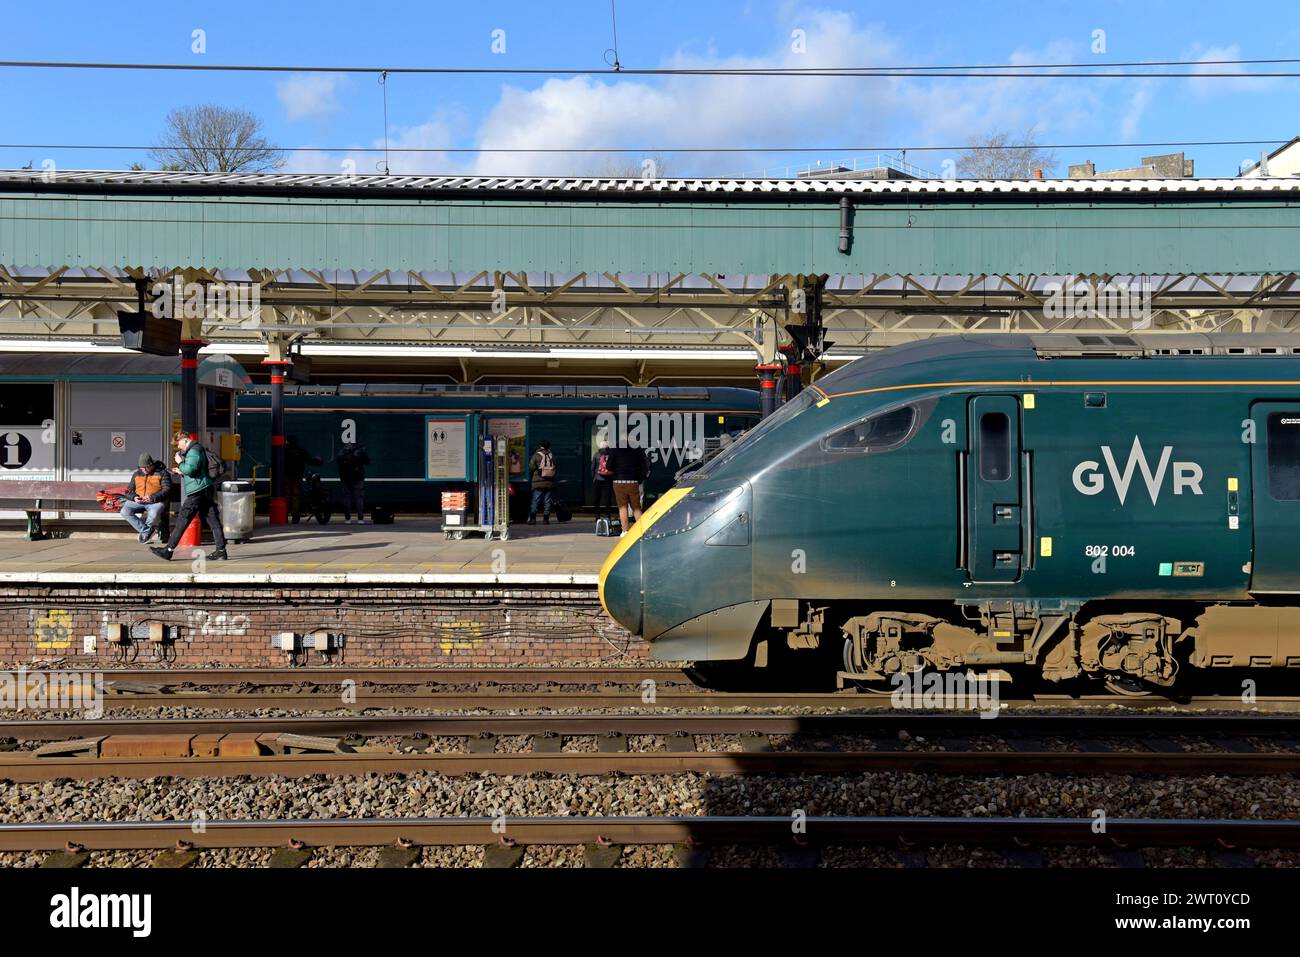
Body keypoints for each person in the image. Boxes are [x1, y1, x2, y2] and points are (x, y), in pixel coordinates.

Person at [150, 431, 227, 561]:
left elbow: (190, 469)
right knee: (213, 520)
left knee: (182, 520)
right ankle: (221, 551)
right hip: (204, 488)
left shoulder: (193, 451)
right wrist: (181, 471)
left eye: (178, 444)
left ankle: (168, 550)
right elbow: (195, 470)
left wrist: (180, 463)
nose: (178, 447)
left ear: (185, 440)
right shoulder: (195, 449)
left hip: (198, 491)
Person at [120, 452, 172, 544]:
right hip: (139, 501)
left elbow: (167, 490)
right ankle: (147, 531)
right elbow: (129, 491)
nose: (144, 469)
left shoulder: (162, 473)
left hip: (155, 502)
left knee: (154, 513)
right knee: (124, 511)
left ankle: (145, 534)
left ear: (151, 465)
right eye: (141, 467)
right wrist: (135, 497)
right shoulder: (136, 474)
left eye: (146, 467)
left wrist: (152, 497)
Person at [612, 440, 649, 537]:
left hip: (619, 482)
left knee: (622, 507)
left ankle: (625, 531)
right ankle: (642, 529)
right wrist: (640, 479)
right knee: (636, 507)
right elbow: (644, 466)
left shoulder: (615, 449)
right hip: (633, 481)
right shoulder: (637, 449)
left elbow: (609, 466)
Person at [284, 435, 322, 524]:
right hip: (298, 476)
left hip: (286, 476)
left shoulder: (284, 451)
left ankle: (284, 515)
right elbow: (310, 461)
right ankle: (295, 517)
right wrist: (318, 460)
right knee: (296, 496)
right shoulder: (301, 451)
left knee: (286, 496)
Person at [335, 441, 371, 524]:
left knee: (346, 498)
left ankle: (348, 519)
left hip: (345, 479)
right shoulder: (359, 452)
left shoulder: (342, 453)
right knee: (359, 498)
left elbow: (339, 465)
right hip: (358, 478)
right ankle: (360, 519)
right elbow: (368, 461)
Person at [527, 439, 558, 525]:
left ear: (541, 446)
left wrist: (533, 475)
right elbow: (556, 467)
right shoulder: (552, 456)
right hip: (549, 483)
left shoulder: (536, 455)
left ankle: (533, 519)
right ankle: (546, 519)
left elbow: (531, 467)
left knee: (535, 500)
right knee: (547, 501)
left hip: (538, 483)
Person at [592, 437, 615, 531]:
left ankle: (597, 516)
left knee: (597, 498)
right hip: (608, 479)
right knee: (607, 498)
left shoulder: (596, 454)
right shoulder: (611, 454)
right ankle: (608, 515)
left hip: (598, 479)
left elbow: (592, 467)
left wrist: (593, 477)